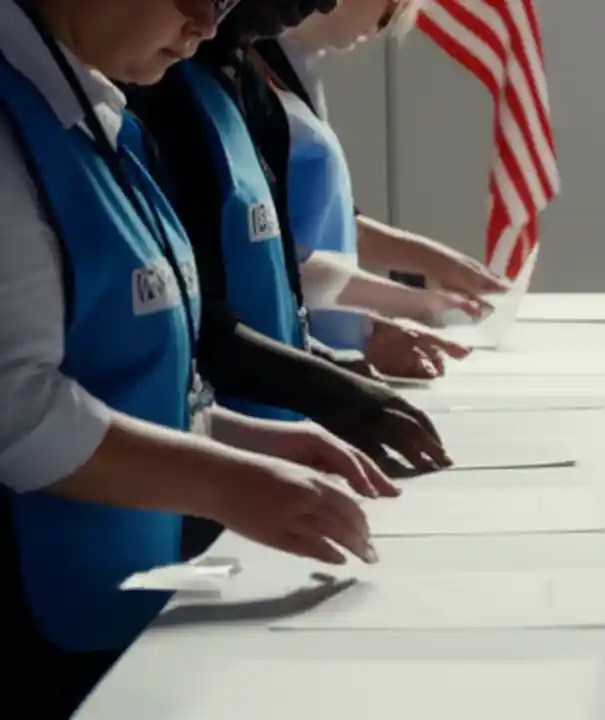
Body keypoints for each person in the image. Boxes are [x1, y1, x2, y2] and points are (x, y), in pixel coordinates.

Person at [0, 0, 394, 714]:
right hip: (37, 629)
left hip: (126, 600)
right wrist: (225, 481)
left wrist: (246, 438)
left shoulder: (100, 111)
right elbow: (18, 413)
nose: (208, 26)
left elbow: (136, 372)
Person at [125, 1, 456, 475]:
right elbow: (194, 325)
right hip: (202, 468)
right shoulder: (159, 91)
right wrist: (323, 387)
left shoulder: (243, 84)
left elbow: (274, 281)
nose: (323, 3)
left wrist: (329, 366)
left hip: (266, 455)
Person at [250, 0, 511, 367]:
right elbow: (280, 259)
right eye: (388, 10)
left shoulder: (297, 70)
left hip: (318, 348)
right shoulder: (249, 76)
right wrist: (416, 301)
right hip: (284, 354)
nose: (383, 27)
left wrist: (440, 271)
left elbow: (335, 223)